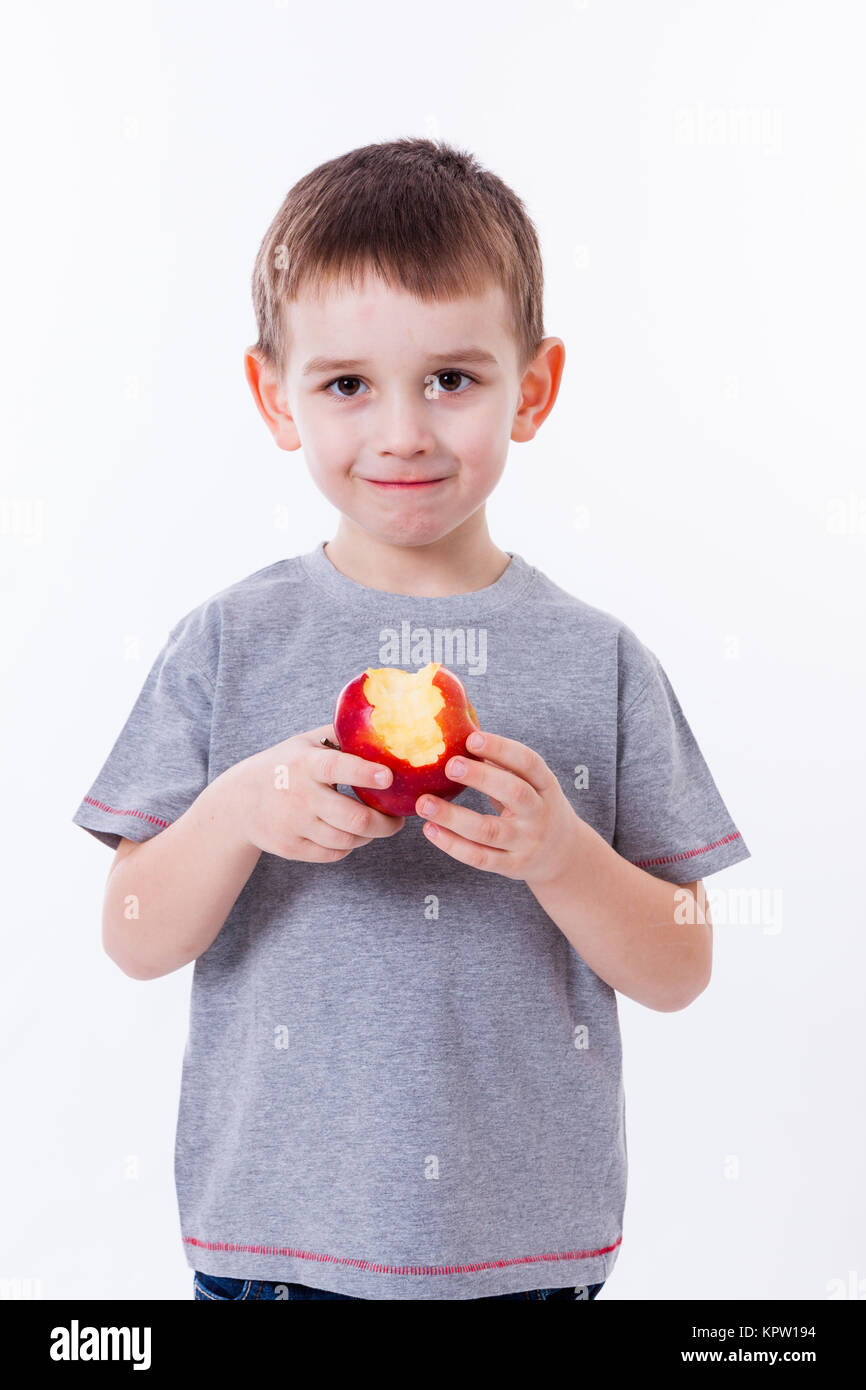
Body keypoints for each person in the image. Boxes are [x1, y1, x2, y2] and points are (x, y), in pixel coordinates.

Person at [71, 137, 751, 1301]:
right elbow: (133, 931)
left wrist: (560, 854)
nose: (400, 431)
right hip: (273, 1253)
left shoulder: (598, 661)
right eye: (345, 384)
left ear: (530, 389)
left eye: (450, 379)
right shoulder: (228, 643)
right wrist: (235, 811)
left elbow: (681, 959)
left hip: (524, 1258)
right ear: (271, 396)